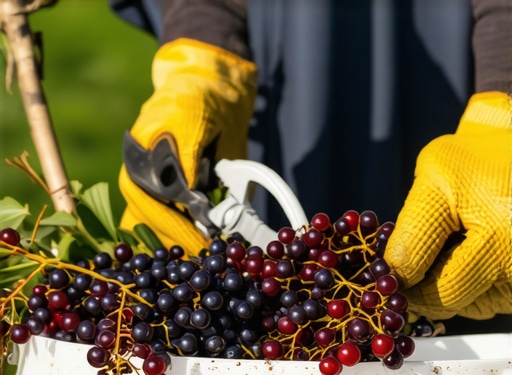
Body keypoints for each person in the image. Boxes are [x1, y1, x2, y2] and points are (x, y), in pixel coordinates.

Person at [111, 0, 511, 330]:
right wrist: (204, 47)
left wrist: (504, 101)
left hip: (465, 46)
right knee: (275, 291)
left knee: (471, 270)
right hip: (282, 46)